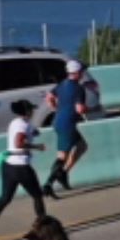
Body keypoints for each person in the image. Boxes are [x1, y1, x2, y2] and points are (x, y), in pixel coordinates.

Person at [0, 100, 46, 240]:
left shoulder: (16, 122)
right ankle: (43, 228)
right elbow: (19, 143)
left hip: (8, 165)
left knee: (5, 198)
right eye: (31, 109)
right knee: (37, 196)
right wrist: (37, 146)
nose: (33, 111)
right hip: (21, 167)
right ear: (27, 111)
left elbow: (29, 131)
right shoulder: (23, 124)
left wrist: (33, 131)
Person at [42, 60, 89, 200]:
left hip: (58, 121)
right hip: (67, 124)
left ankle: (63, 173)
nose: (83, 74)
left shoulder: (61, 84)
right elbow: (80, 109)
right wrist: (87, 109)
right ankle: (48, 185)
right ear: (78, 73)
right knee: (61, 156)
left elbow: (49, 97)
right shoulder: (79, 88)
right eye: (82, 71)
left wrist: (56, 108)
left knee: (82, 146)